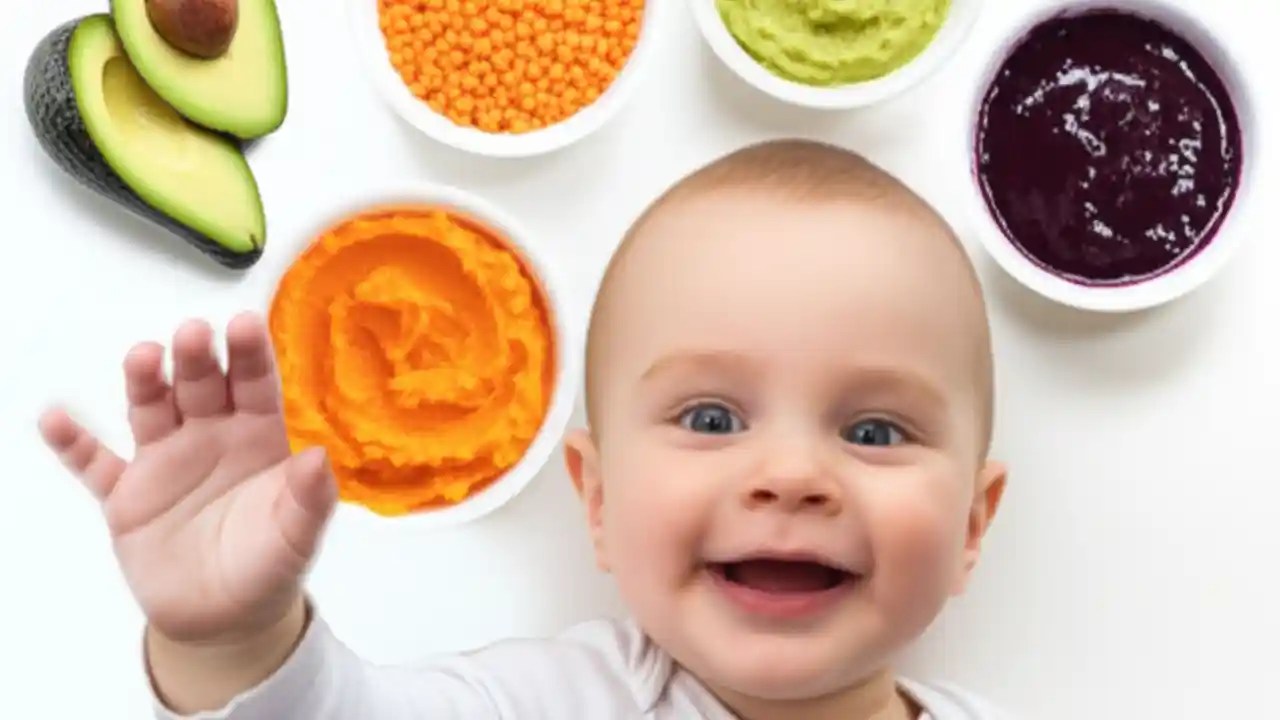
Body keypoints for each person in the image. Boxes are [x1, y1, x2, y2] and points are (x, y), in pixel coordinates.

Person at [38, 139, 1011, 719]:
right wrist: (231, 639)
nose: (793, 473)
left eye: (876, 432)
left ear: (972, 526)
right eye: (710, 417)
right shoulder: (560, 703)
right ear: (594, 500)